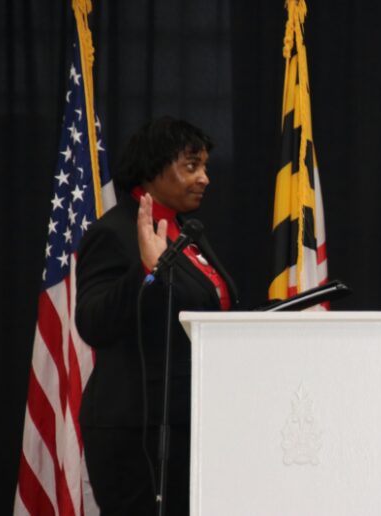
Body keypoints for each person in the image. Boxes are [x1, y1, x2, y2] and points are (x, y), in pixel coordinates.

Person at [76, 116, 239, 515]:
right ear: (152, 169)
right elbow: (93, 323)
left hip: (189, 420)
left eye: (204, 167)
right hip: (136, 430)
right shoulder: (114, 233)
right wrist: (145, 271)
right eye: (191, 166)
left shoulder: (188, 232)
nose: (204, 179)